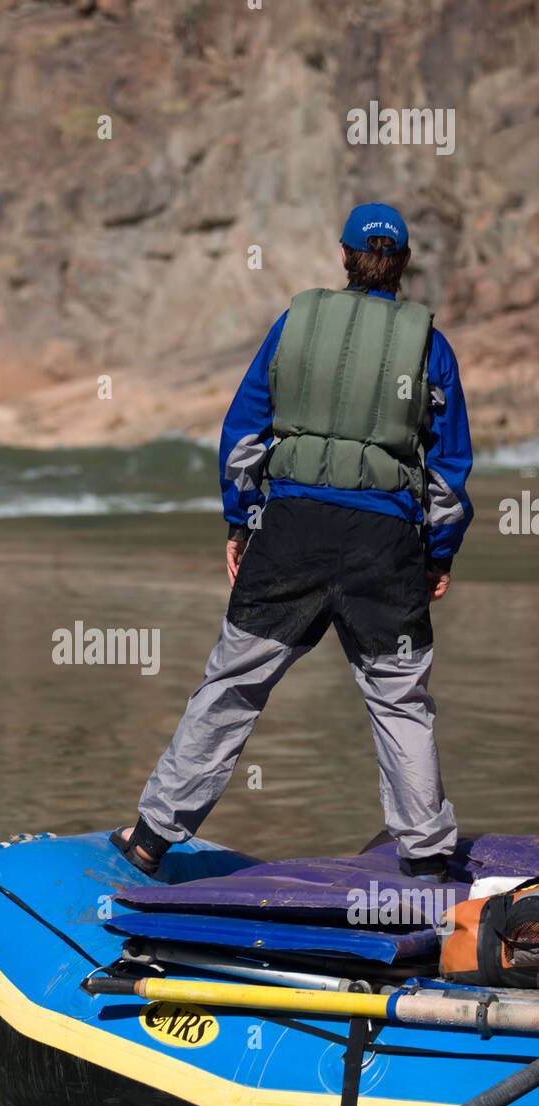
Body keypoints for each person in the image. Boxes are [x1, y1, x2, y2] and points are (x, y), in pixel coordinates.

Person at [114, 203, 473, 885]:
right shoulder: (432, 345)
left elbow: (242, 433)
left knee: (233, 686)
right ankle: (425, 856)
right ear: (401, 265)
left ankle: (152, 838)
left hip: (291, 535)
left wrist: (240, 520)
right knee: (400, 699)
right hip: (384, 543)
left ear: (343, 257)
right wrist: (438, 556)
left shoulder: (294, 323)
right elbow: (449, 469)